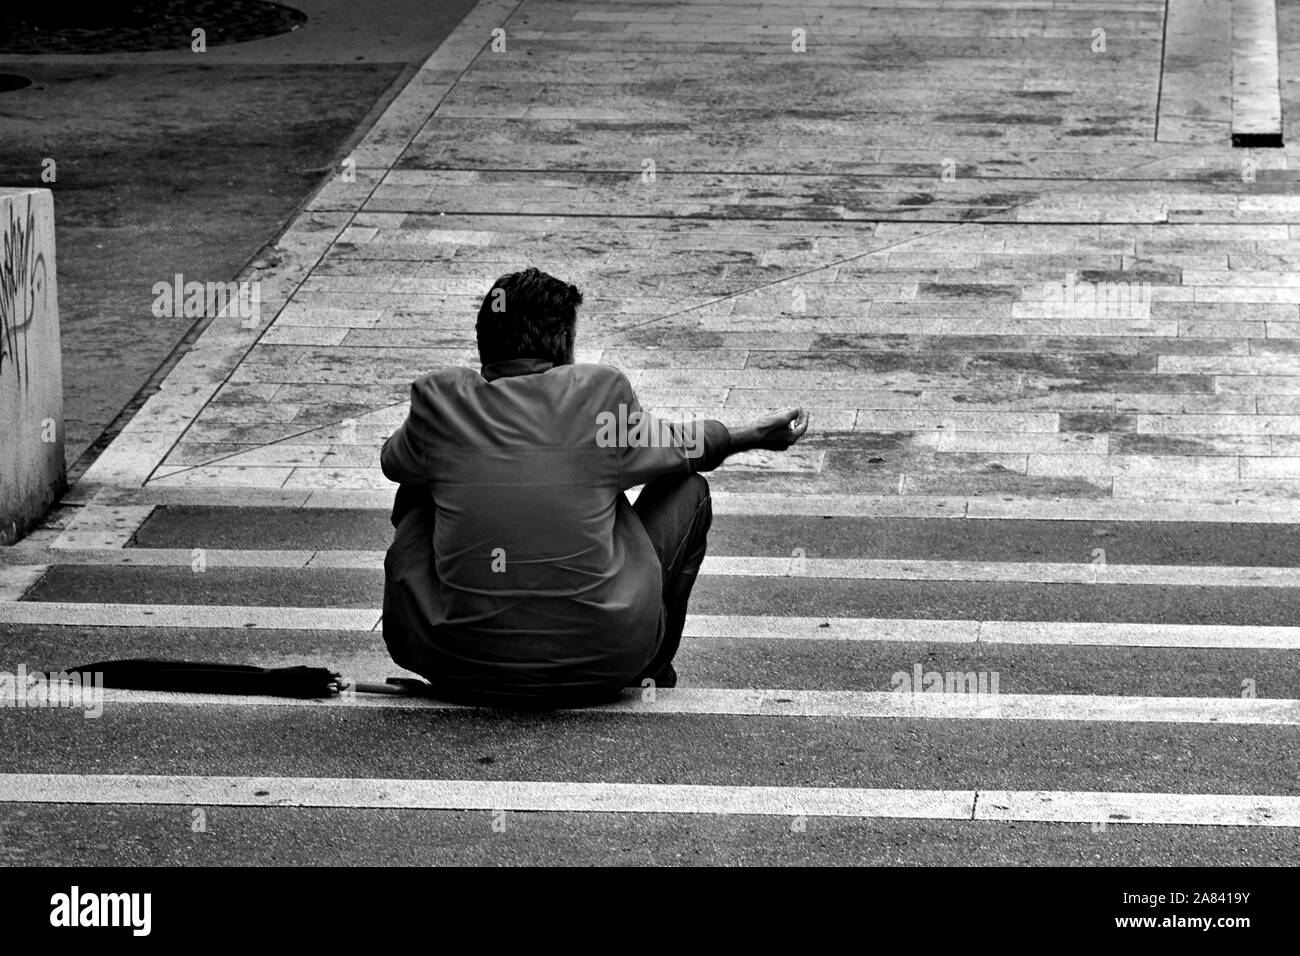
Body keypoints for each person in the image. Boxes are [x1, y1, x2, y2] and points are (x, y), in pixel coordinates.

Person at [380, 267, 808, 708]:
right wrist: (751, 434)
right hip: (605, 664)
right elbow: (683, 446)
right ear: (564, 344)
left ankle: (468, 636)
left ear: (483, 339)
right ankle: (653, 664)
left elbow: (392, 461)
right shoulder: (597, 396)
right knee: (687, 487)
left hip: (457, 669)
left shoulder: (439, 401)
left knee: (419, 483)